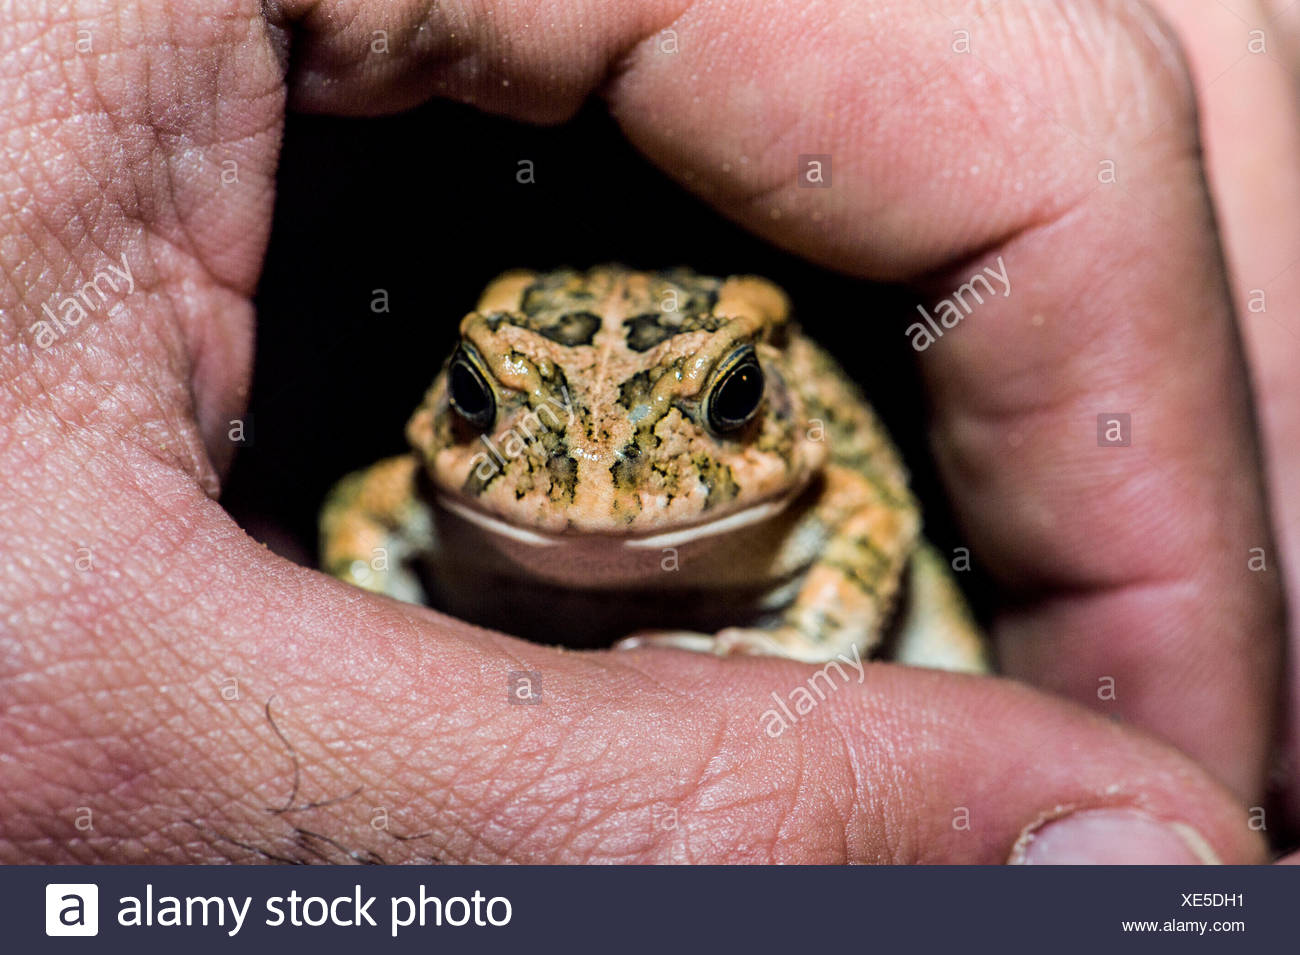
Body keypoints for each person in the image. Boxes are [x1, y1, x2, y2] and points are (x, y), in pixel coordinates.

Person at [1, 0, 1297, 864]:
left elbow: (868, 516)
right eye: (489, 407)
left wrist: (796, 662)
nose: (598, 484)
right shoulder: (403, 494)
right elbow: (365, 523)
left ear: (760, 405)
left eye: (722, 409)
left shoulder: (819, 487)